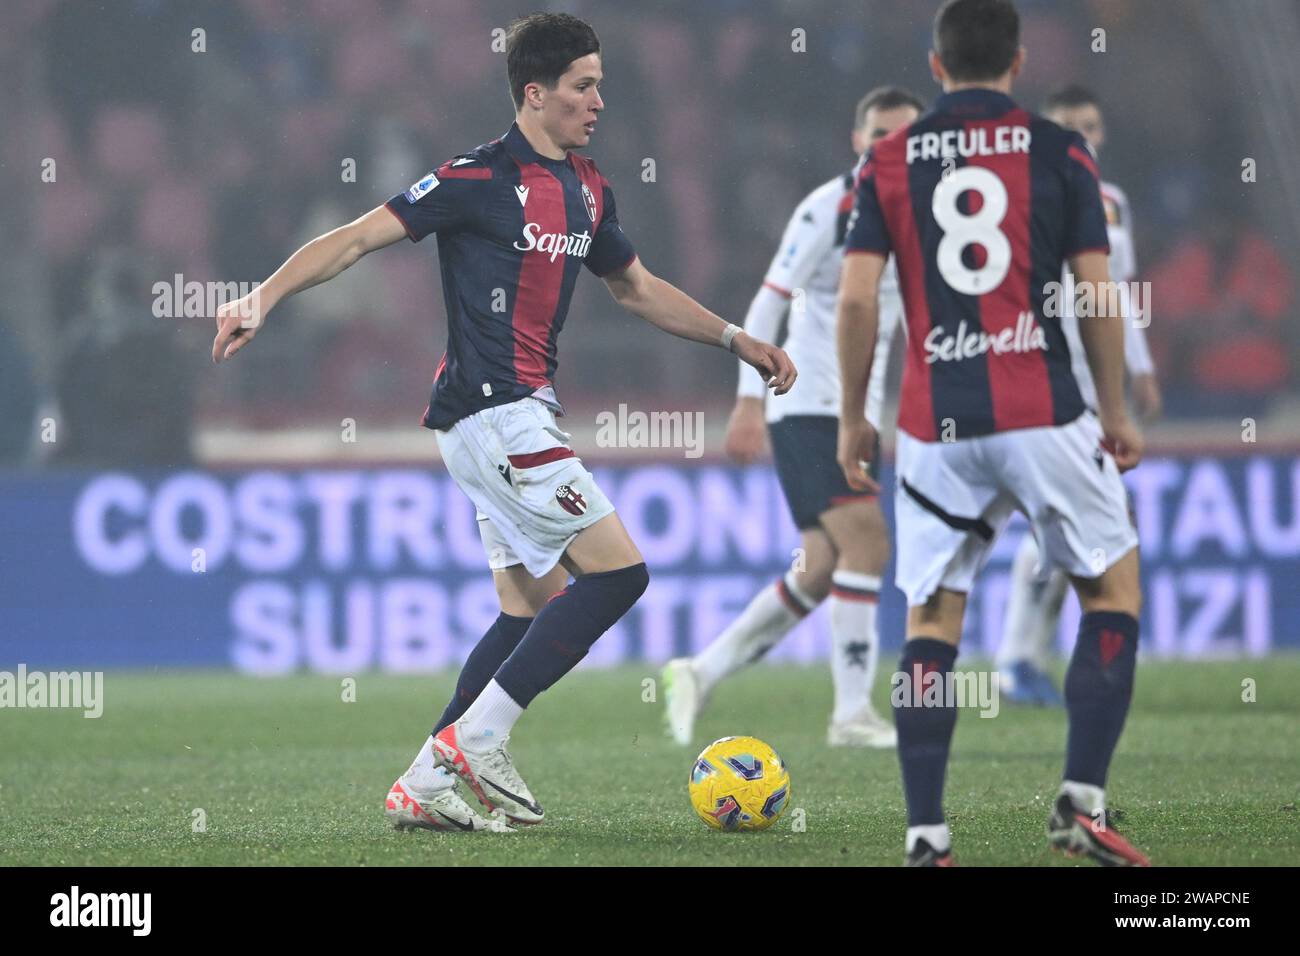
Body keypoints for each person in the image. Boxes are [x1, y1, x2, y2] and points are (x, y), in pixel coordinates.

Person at [211, 12, 795, 833]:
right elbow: (355, 240)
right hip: (495, 415)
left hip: (505, 421)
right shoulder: (477, 178)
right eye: (583, 86)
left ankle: (426, 779)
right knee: (620, 577)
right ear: (535, 92)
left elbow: (636, 288)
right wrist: (264, 295)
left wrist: (735, 338)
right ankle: (479, 741)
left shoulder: (590, 189)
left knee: (528, 606)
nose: (598, 101)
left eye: (600, 83)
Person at [836, 0, 1149, 866]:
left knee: (934, 618)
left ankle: (926, 836)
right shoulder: (1060, 151)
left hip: (934, 422)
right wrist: (1115, 410)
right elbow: (1093, 292)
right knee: (1110, 591)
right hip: (1042, 406)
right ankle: (1081, 801)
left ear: (935, 67)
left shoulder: (889, 160)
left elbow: (860, 297)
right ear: (1018, 63)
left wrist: (855, 414)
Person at [662, 87, 924, 749]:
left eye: (907, 136)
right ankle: (852, 715)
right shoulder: (828, 208)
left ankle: (701, 669)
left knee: (822, 564)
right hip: (806, 401)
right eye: (882, 134)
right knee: (867, 541)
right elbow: (770, 298)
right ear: (858, 140)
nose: (895, 146)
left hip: (854, 410)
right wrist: (749, 400)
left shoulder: (922, 212)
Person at [996, 84, 1162, 706]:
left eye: (1089, 125)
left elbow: (1117, 291)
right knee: (1072, 518)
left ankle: (1024, 658)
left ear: (1103, 132)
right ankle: (1018, 659)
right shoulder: (1026, 192)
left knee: (1077, 520)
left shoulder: (1113, 201)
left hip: (1102, 377)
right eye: (1069, 126)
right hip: (1050, 371)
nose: (1082, 136)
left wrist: (1139, 366)